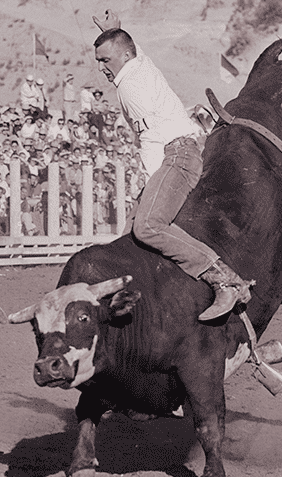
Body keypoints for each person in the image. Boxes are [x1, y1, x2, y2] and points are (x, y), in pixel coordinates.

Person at [93, 19, 251, 321]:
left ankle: (224, 279)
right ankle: (134, 311)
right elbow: (132, 49)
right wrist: (118, 29)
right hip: (178, 153)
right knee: (127, 241)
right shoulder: (139, 65)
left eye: (105, 59)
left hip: (175, 155)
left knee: (147, 226)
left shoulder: (129, 87)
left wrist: (152, 183)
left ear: (123, 57)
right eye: (98, 60)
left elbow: (152, 138)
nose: (101, 67)